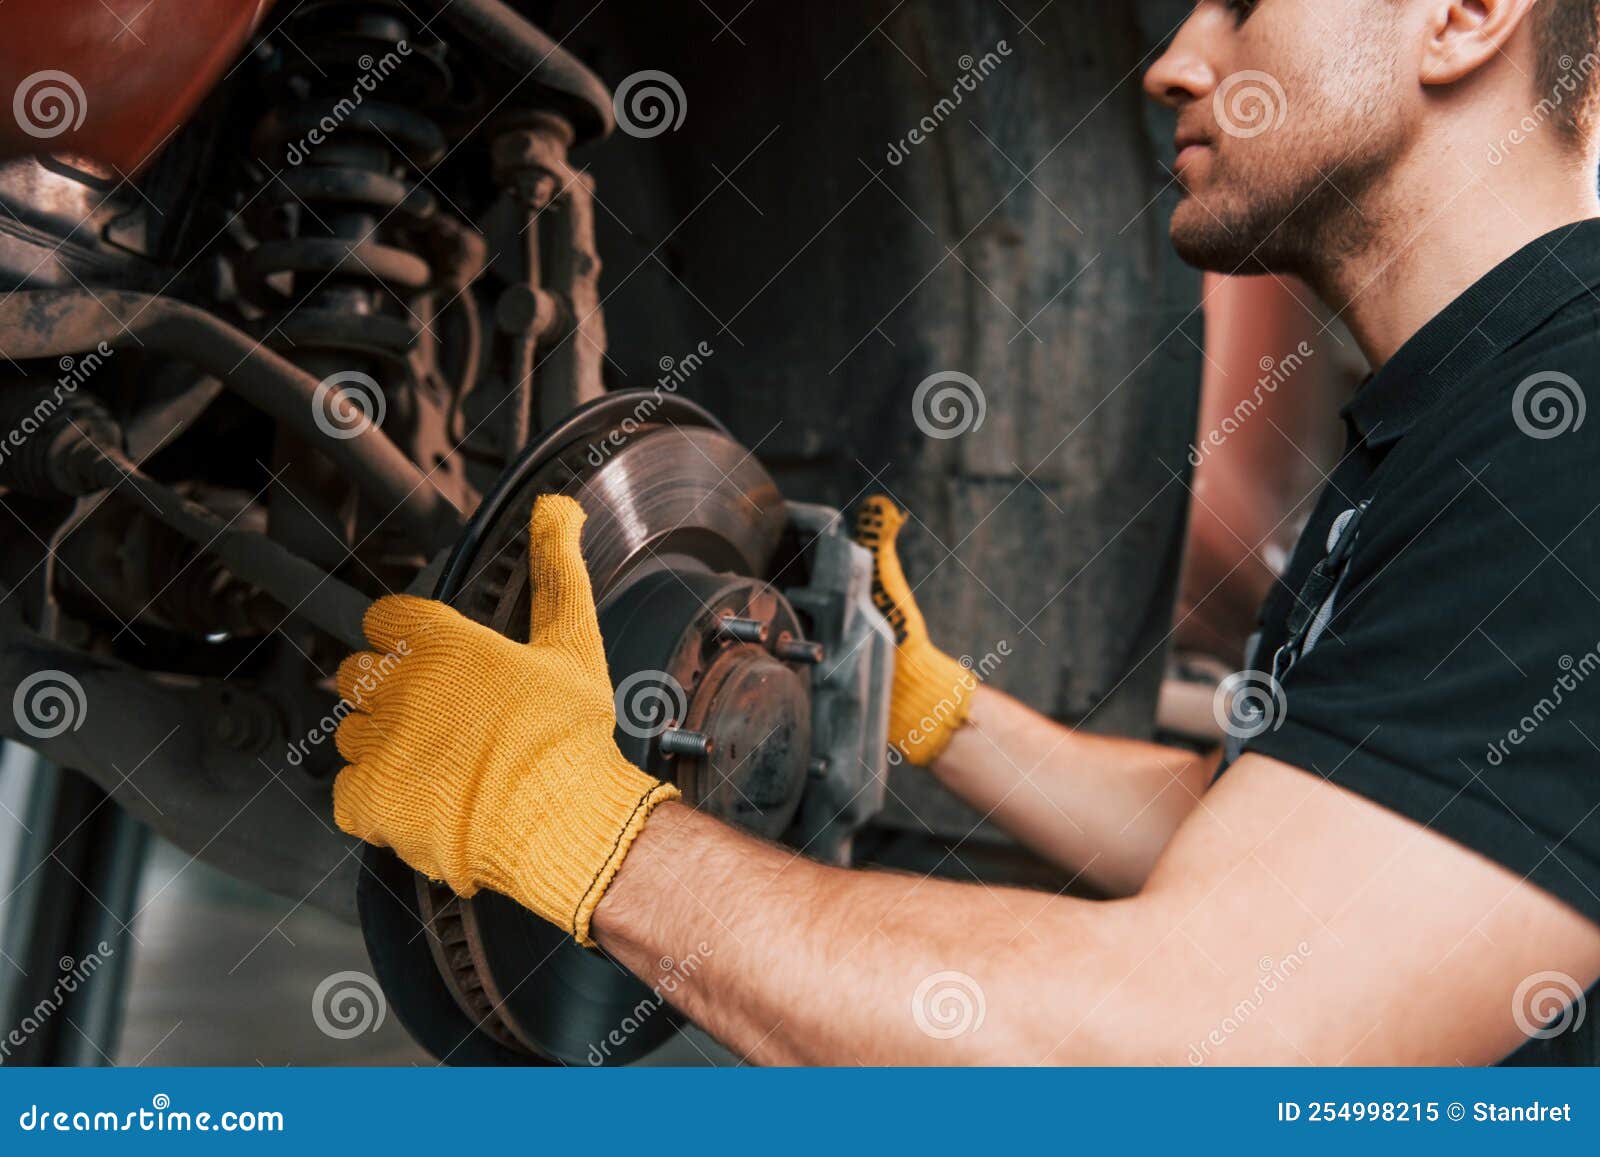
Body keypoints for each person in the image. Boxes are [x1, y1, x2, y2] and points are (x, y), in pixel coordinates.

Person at [330, 0, 1600, 1064]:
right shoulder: (1460, 410)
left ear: (1463, 15)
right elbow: (1305, 847)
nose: (1174, 61)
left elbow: (1200, 1040)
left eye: (1242, 0)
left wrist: (584, 833)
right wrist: (943, 714)